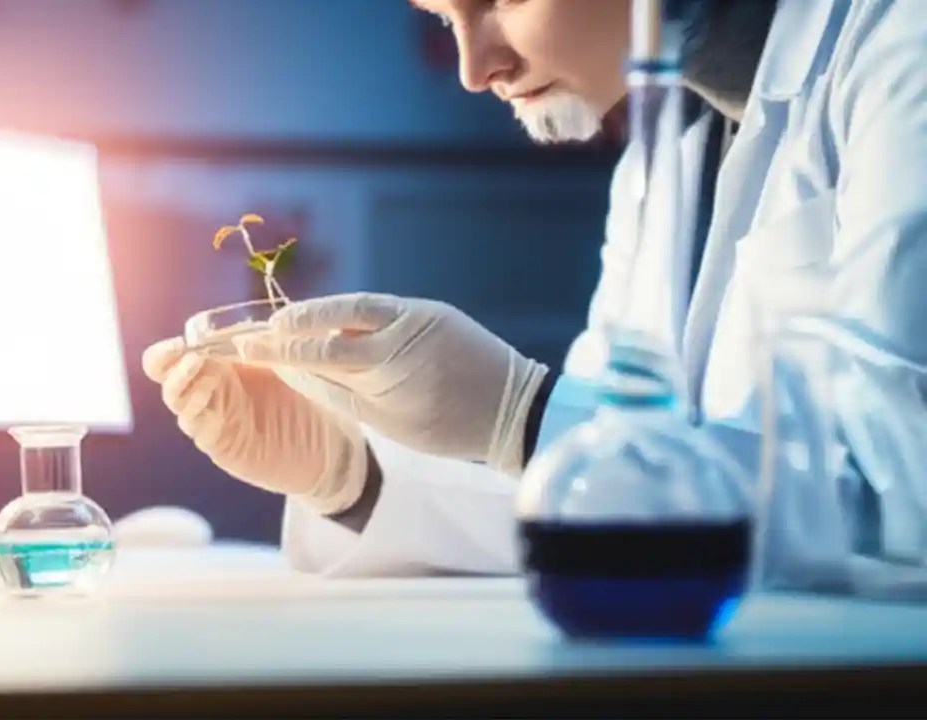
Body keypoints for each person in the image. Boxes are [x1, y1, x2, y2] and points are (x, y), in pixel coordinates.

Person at [143, 0, 927, 578]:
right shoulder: (662, 161)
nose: (475, 68)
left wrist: (522, 415)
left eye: (499, 3)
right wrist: (352, 475)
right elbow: (606, 509)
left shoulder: (904, 50)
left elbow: (906, 513)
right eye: (445, 18)